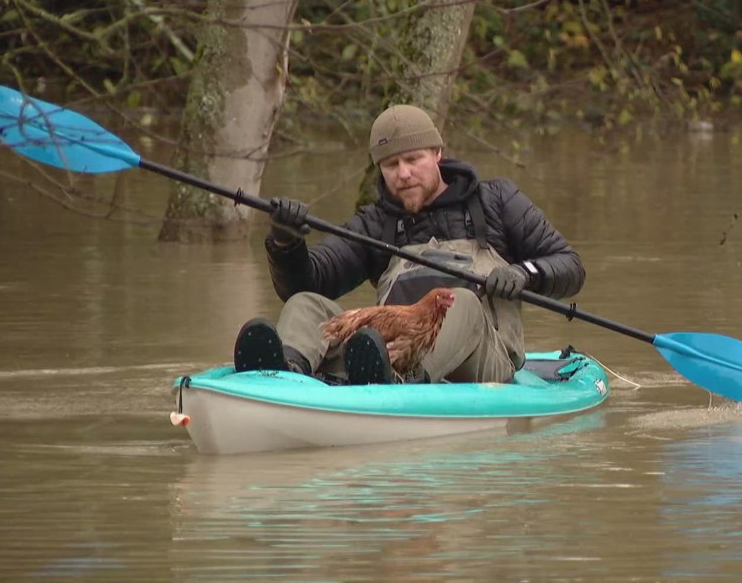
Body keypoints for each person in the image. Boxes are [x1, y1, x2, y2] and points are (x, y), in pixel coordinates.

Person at [232, 104, 585, 385]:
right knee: (305, 303)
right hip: (386, 357)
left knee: (459, 301)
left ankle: (409, 382)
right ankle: (286, 374)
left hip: (480, 361)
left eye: (413, 159)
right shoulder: (375, 222)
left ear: (437, 153)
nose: (403, 174)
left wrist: (525, 273)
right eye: (391, 164)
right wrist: (286, 242)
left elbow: (569, 265)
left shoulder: (496, 201)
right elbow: (308, 282)